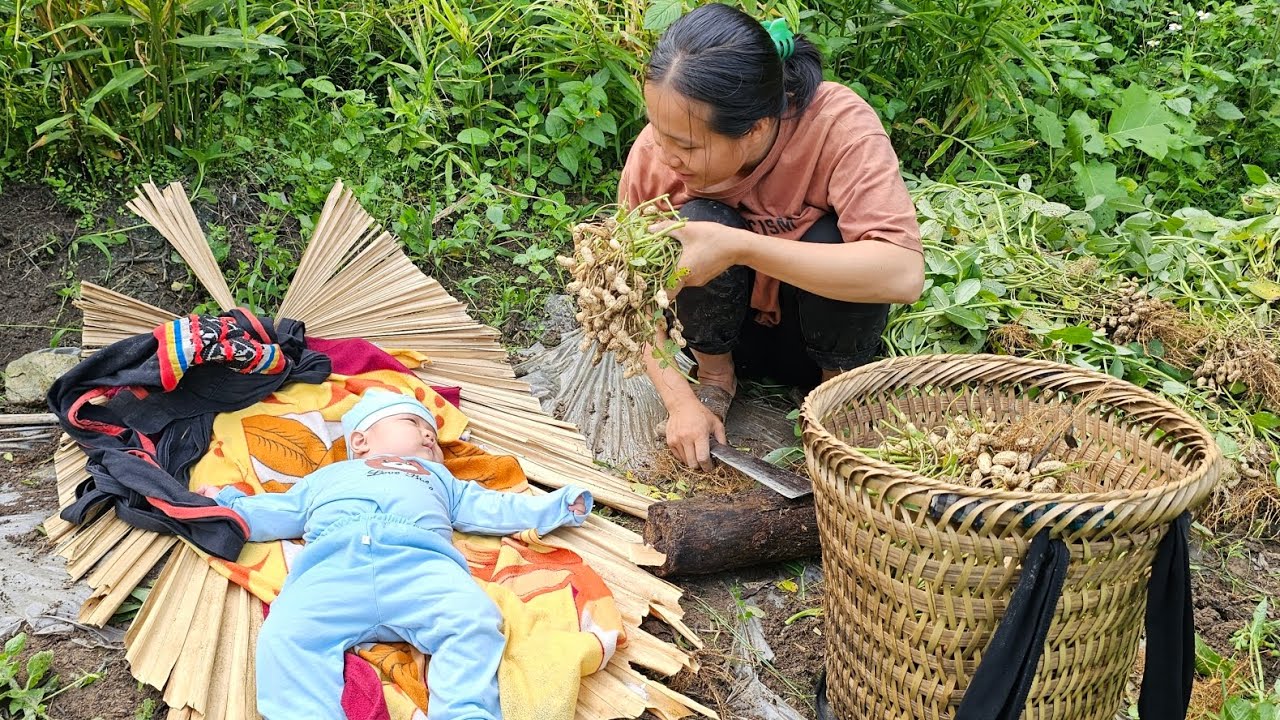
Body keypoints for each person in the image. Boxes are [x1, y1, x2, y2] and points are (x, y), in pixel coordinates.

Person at [618, 3, 926, 471]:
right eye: (659, 132)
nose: (665, 154)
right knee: (700, 220)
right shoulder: (654, 156)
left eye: (685, 145)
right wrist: (681, 404)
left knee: (830, 241)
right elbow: (631, 305)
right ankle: (716, 382)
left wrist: (740, 248)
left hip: (810, 339)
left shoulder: (836, 126)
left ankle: (832, 395)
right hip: (716, 339)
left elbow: (903, 274)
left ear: (756, 128)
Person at [198, 388, 592, 720]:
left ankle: (464, 709)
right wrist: (228, 504)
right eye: (413, 424)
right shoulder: (328, 477)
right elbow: (280, 511)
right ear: (361, 441)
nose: (428, 437)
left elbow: (493, 507)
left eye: (433, 436)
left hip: (421, 567)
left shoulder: (440, 478)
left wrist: (553, 508)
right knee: (286, 636)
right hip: (334, 567)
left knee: (474, 621)